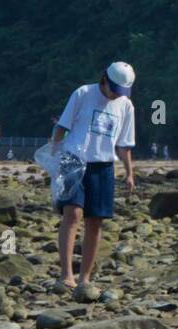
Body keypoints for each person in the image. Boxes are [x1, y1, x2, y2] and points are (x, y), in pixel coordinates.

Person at [50, 61, 137, 289]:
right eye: (114, 90)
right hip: (73, 160)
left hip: (103, 165)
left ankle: (85, 278)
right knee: (73, 213)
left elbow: (124, 145)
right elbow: (62, 127)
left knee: (95, 221)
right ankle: (66, 274)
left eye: (121, 92)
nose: (116, 96)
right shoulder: (83, 93)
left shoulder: (126, 105)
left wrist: (129, 174)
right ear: (104, 80)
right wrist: (54, 156)